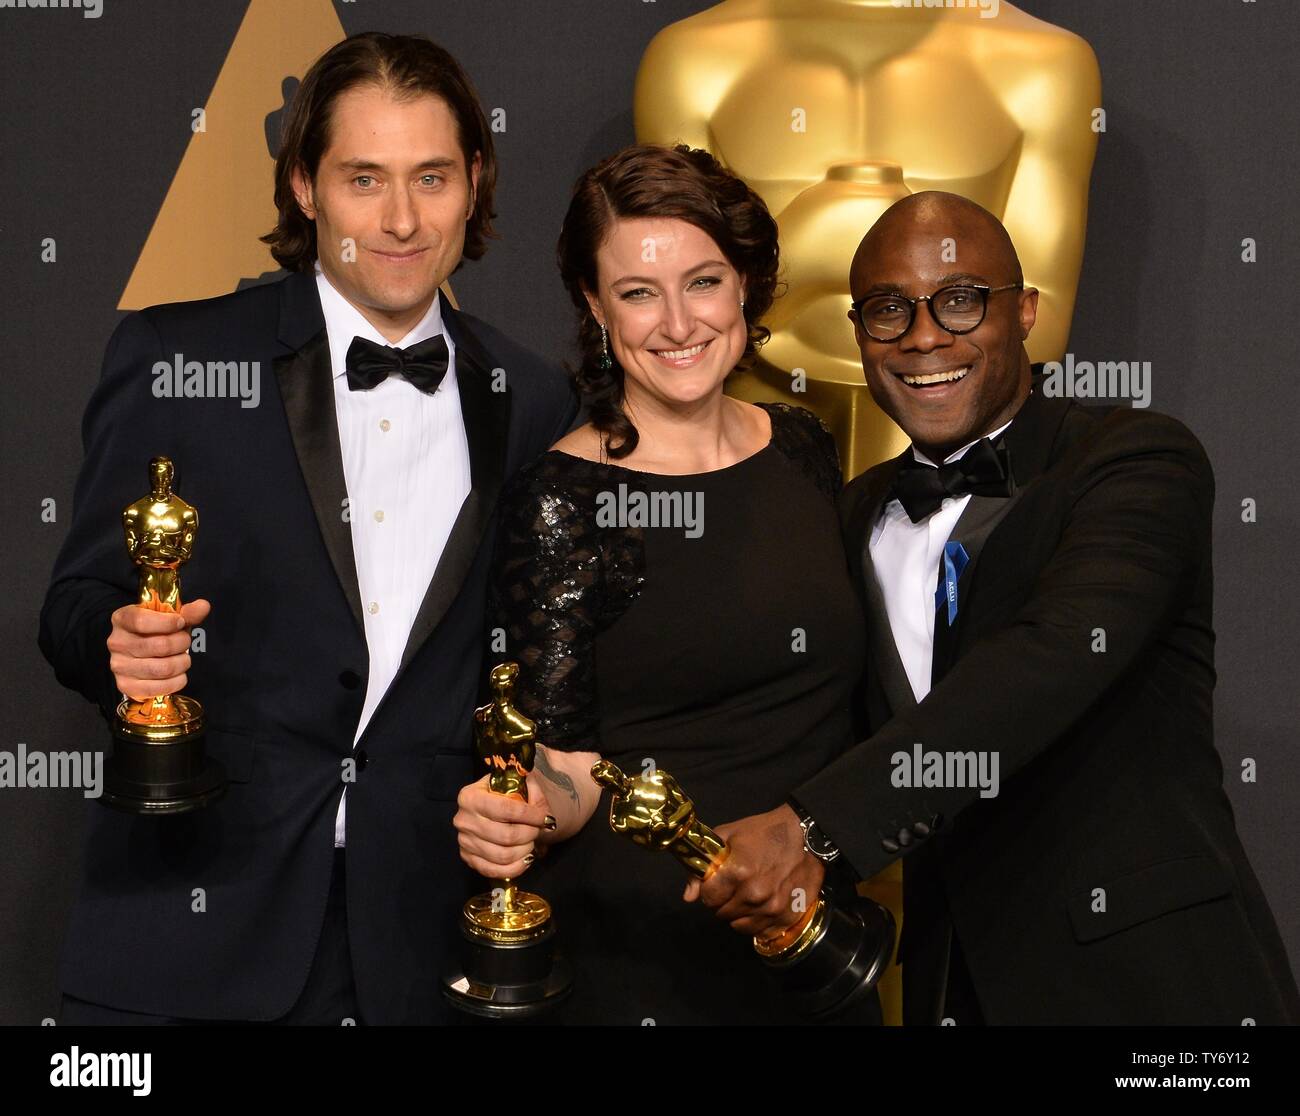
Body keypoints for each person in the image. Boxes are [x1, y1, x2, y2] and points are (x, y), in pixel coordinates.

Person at [37, 32, 576, 1025]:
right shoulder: (176, 357)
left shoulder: (535, 400)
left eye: (432, 177)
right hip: (189, 933)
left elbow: (542, 669)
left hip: (415, 947)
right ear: (303, 187)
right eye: (364, 178)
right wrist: (118, 645)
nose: (403, 219)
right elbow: (74, 605)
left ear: (476, 181)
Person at [688, 190, 1300, 1025]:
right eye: (888, 310)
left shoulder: (1135, 460)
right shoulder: (852, 511)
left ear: (1027, 313)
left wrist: (810, 827)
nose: (924, 336)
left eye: (961, 299)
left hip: (1153, 985)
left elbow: (1049, 660)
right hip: (952, 986)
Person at [451, 143, 873, 1024]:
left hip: (812, 945)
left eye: (704, 281)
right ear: (594, 307)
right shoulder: (565, 498)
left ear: (748, 285)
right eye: (639, 293)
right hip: (649, 962)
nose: (678, 324)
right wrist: (525, 805)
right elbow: (567, 762)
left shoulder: (802, 445)